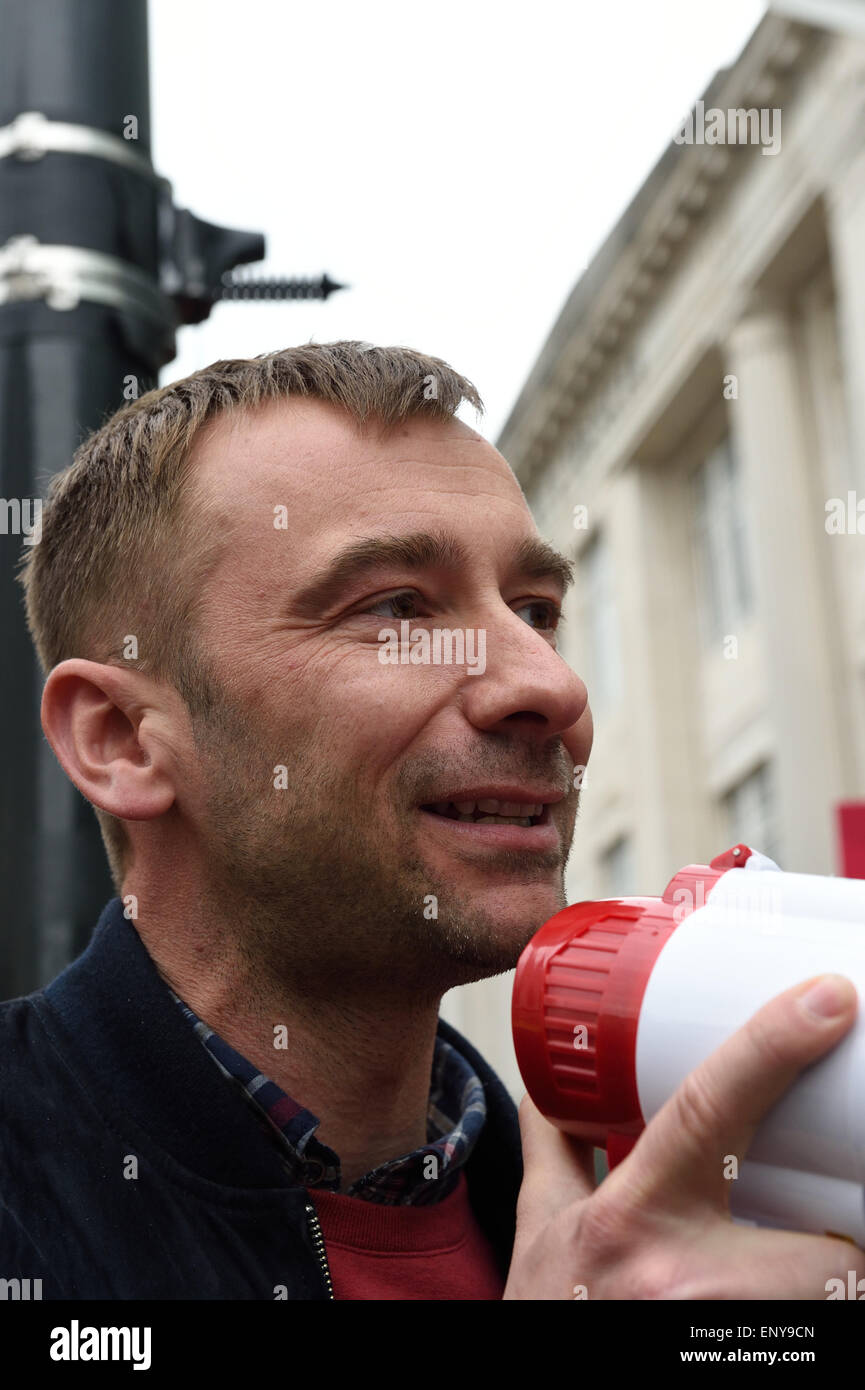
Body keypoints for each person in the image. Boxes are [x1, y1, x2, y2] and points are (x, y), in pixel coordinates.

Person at [3, 342, 861, 1300]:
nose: (553, 684)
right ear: (121, 738)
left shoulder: (671, 1200)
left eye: (535, 609)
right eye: (398, 609)